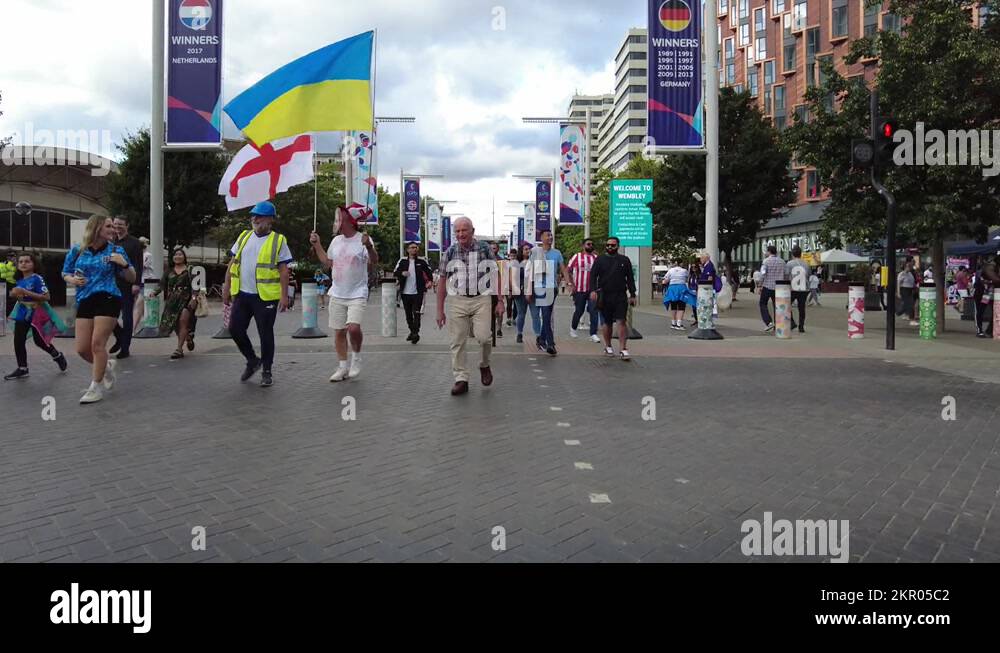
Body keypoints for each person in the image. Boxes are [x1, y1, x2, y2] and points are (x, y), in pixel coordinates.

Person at [62, 214, 136, 404]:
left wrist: (124, 264)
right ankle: (107, 368)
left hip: (108, 297)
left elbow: (131, 278)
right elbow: (65, 272)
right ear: (96, 228)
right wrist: (72, 279)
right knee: (82, 349)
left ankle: (95, 388)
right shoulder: (78, 250)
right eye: (109, 226)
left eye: (114, 226)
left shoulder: (115, 250)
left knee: (97, 344)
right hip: (85, 298)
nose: (113, 229)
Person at [224, 201, 292, 387]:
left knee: (265, 334)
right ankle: (252, 360)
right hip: (243, 294)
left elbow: (284, 270)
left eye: (259, 216)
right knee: (234, 329)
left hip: (265, 297)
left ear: (270, 219)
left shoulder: (278, 240)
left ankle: (267, 370)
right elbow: (232, 264)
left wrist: (284, 296)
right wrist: (226, 287)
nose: (255, 218)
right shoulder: (244, 236)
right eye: (253, 215)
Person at [436, 217, 504, 396]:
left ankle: (484, 365)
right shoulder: (450, 252)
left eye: (464, 230)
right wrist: (439, 310)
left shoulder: (483, 248)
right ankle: (461, 379)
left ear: (472, 231)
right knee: (457, 341)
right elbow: (442, 281)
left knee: (484, 338)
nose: (460, 234)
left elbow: (496, 275)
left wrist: (500, 301)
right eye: (457, 231)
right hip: (458, 300)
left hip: (481, 298)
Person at [310, 205, 378, 381]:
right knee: (339, 331)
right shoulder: (336, 241)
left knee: (353, 328)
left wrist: (369, 247)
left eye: (340, 218)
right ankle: (342, 367)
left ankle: (356, 357)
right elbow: (328, 262)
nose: (337, 221)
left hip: (357, 292)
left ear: (350, 221)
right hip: (337, 292)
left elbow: (374, 262)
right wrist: (317, 245)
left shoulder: (362, 239)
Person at [4, 251, 68, 380]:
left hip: (37, 314)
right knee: (18, 340)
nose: (23, 264)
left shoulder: (37, 278)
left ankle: (57, 356)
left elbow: (46, 297)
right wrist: (15, 294)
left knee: (40, 341)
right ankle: (23, 368)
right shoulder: (20, 280)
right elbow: (21, 296)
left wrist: (24, 291)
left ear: (34, 264)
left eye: (27, 261)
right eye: (21, 261)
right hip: (22, 314)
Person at [590, 237, 637, 360]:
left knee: (621, 321)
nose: (610, 247)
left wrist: (632, 294)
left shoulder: (624, 260)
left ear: (618, 246)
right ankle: (608, 346)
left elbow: (630, 278)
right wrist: (593, 291)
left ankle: (623, 348)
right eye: (608, 245)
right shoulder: (600, 260)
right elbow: (593, 276)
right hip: (604, 295)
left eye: (613, 245)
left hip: (620, 295)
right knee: (607, 322)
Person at [528, 229, 573, 356]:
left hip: (551, 287)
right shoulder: (535, 252)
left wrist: (568, 283)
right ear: (541, 238)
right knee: (546, 316)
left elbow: (563, 269)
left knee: (547, 316)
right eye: (547, 235)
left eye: (551, 235)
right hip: (539, 287)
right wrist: (529, 289)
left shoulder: (556, 253)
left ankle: (544, 341)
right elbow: (530, 270)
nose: (550, 237)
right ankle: (549, 343)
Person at [108, 216, 143, 359]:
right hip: (110, 283)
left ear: (127, 226)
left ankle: (125, 347)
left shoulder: (134, 243)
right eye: (115, 224)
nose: (117, 227)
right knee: (108, 313)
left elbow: (138, 264)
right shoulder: (110, 241)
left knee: (127, 315)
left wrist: (136, 283)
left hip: (127, 284)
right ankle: (119, 335)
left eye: (121, 224)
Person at [156, 248, 198, 359]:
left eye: (180, 254)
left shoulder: (190, 269)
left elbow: (195, 286)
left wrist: (193, 298)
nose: (177, 256)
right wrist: (154, 292)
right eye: (175, 254)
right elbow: (162, 284)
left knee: (183, 321)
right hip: (172, 301)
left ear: (184, 257)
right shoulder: (169, 271)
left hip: (186, 300)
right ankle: (188, 337)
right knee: (176, 325)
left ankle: (179, 349)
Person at [393, 241, 433, 344]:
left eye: (415, 247)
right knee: (408, 315)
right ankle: (412, 332)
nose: (414, 249)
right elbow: (395, 272)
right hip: (405, 293)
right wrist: (402, 273)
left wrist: (430, 282)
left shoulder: (422, 261)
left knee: (417, 312)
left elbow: (429, 273)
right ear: (407, 250)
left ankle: (415, 333)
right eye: (412, 247)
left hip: (418, 292)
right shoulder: (402, 261)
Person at [567, 238, 600, 342]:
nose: (590, 246)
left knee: (594, 311)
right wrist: (571, 284)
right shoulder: (577, 256)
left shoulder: (596, 258)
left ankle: (593, 334)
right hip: (579, 289)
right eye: (588, 244)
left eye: (592, 244)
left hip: (592, 290)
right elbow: (568, 270)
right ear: (583, 246)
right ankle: (573, 328)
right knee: (579, 310)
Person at [511, 243, 539, 344]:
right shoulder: (516, 263)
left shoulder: (535, 262)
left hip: (534, 291)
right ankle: (519, 333)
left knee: (535, 314)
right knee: (521, 314)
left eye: (529, 249)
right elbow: (513, 278)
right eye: (526, 249)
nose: (528, 251)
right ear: (521, 251)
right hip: (521, 292)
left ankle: (538, 336)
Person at [758, 245, 786, 331]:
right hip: (779, 287)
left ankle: (769, 322)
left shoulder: (765, 261)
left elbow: (763, 274)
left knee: (762, 303)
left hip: (767, 286)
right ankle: (778, 325)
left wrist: (759, 285)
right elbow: (786, 274)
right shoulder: (782, 262)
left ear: (769, 252)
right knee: (777, 306)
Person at [662, 258, 694, 330]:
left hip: (672, 289)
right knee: (681, 306)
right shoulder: (684, 271)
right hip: (681, 288)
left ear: (675, 263)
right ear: (681, 263)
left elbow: (665, 281)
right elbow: (687, 279)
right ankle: (679, 324)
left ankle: (673, 323)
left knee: (673, 306)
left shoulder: (670, 270)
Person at [786, 245, 811, 333]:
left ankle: (792, 322)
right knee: (802, 308)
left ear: (792, 254)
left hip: (793, 288)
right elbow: (808, 275)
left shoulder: (789, 263)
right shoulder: (806, 264)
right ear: (801, 254)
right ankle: (801, 326)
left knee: (787, 306)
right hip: (804, 288)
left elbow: (786, 276)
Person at [132, 237, 154, 333]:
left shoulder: (147, 255)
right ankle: (148, 325)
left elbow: (142, 266)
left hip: (146, 281)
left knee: (138, 304)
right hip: (138, 281)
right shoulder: (137, 255)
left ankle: (133, 329)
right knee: (142, 306)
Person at [895, 257, 918, 326]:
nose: (909, 268)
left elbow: (912, 282)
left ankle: (899, 312)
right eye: (908, 267)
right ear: (905, 267)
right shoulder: (901, 274)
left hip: (910, 290)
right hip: (904, 290)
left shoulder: (910, 274)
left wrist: (915, 287)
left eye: (910, 267)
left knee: (907, 305)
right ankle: (912, 320)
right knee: (910, 304)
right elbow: (898, 283)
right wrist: (898, 292)